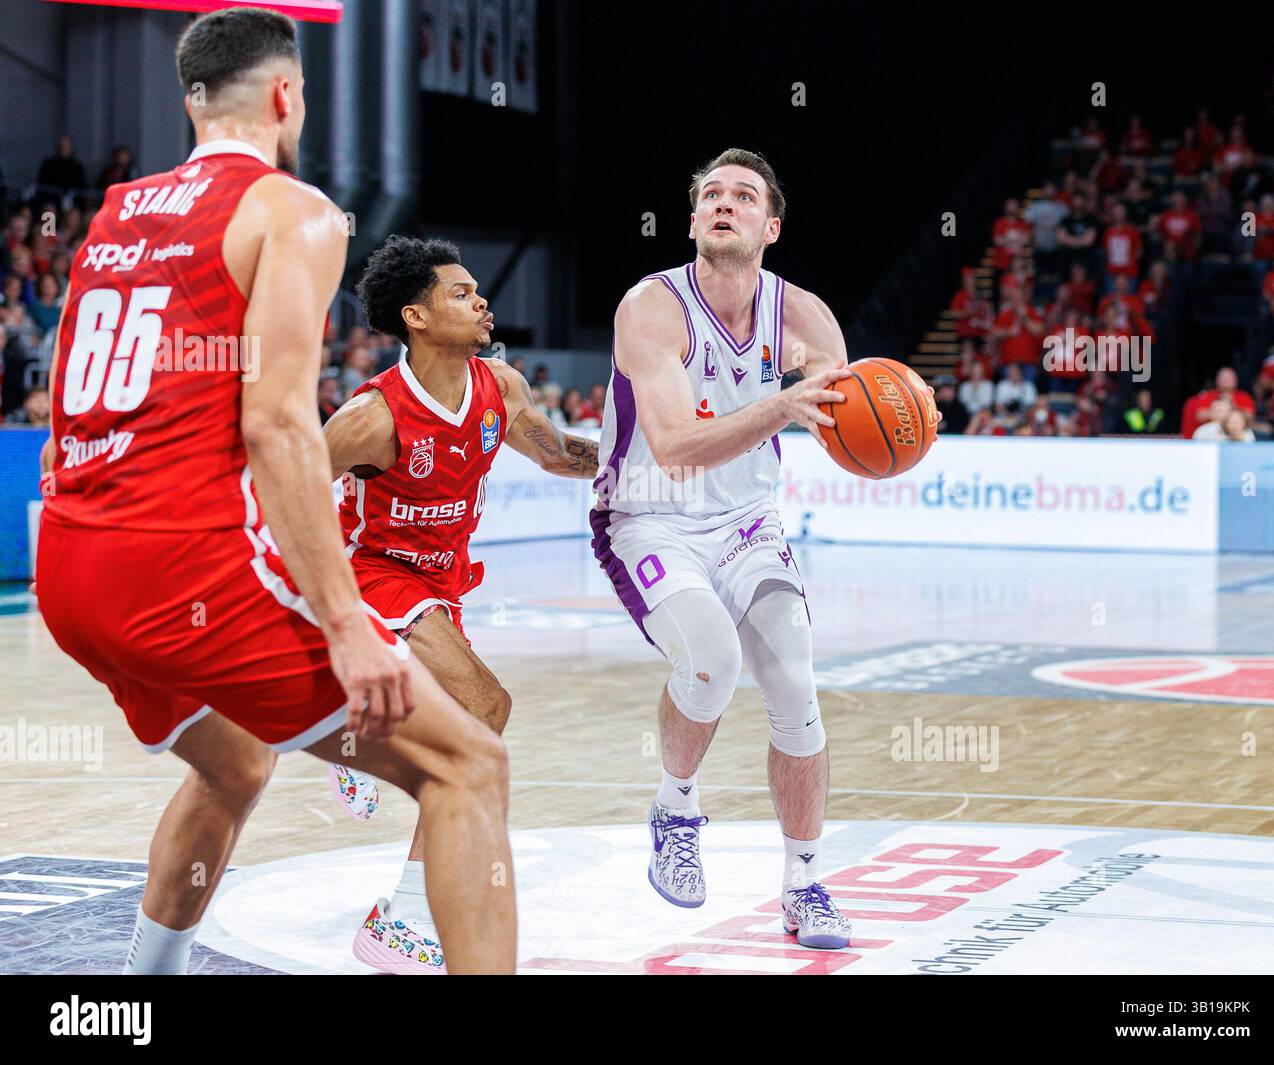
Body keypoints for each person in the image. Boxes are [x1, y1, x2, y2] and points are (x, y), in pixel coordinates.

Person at [33, 7, 515, 975]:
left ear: (190, 101)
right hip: (181, 570)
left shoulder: (116, 213)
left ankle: (140, 996)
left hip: (68, 564)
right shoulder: (293, 210)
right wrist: (346, 624)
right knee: (469, 763)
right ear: (287, 96)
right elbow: (278, 424)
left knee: (237, 762)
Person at [590, 147, 865, 949]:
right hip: (649, 516)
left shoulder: (805, 315)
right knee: (711, 658)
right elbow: (675, 445)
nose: (724, 202)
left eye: (744, 196)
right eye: (711, 193)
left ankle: (806, 880)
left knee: (796, 688)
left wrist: (900, 421)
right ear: (692, 220)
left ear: (770, 226)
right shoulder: (650, 306)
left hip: (748, 519)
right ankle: (677, 805)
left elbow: (848, 413)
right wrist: (785, 403)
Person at [320, 236, 600, 973]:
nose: (483, 302)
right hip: (373, 574)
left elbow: (559, 454)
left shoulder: (499, 387)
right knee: (485, 708)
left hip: (442, 585)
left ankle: (355, 722)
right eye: (461, 293)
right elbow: (289, 489)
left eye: (480, 291)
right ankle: (404, 916)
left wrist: (646, 457)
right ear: (414, 315)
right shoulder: (371, 417)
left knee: (467, 734)